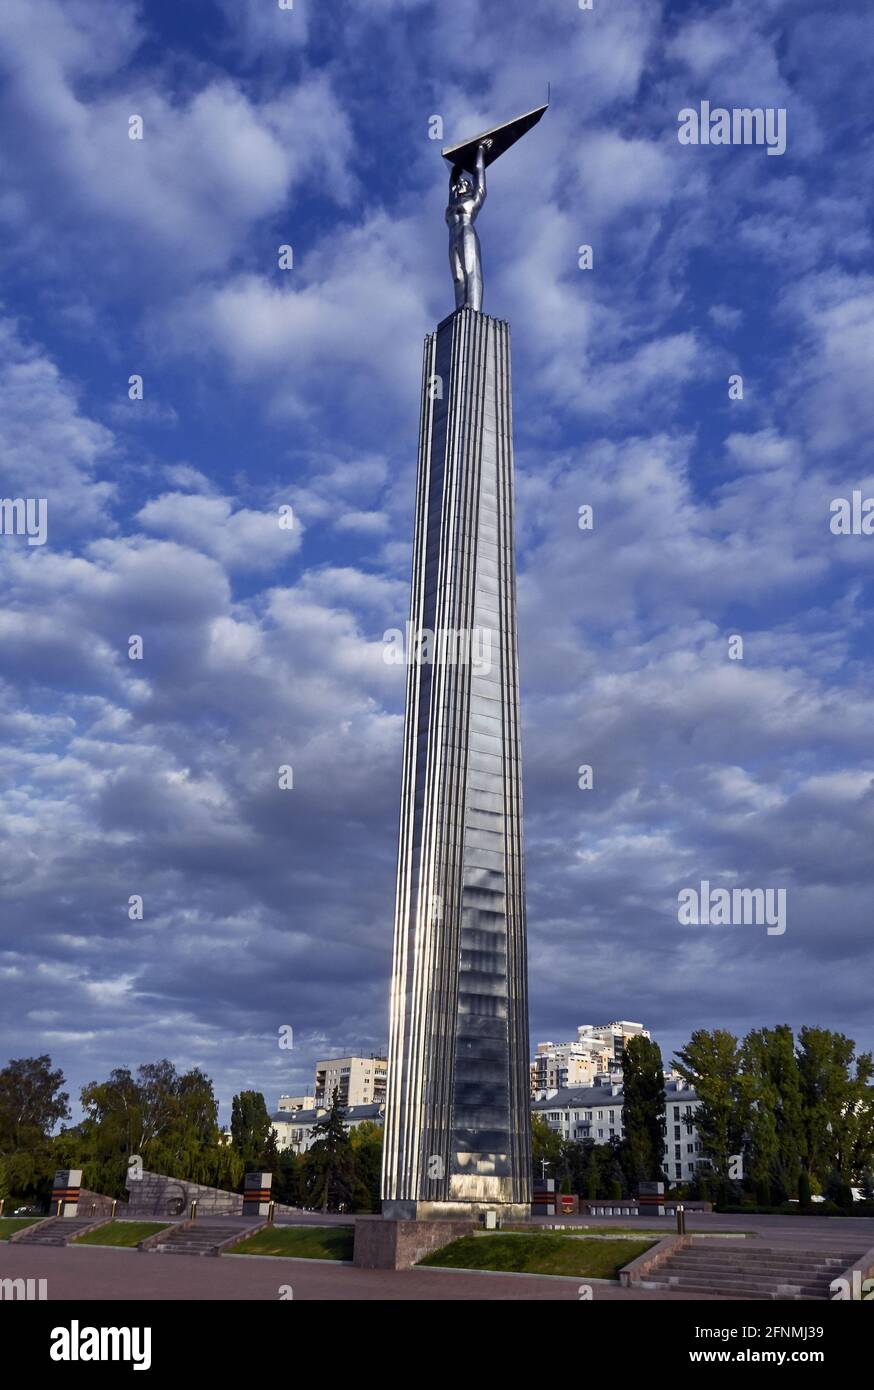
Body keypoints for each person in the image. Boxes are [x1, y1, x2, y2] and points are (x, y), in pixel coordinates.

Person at [446, 139, 491, 311]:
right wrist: (454, 171)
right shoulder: (452, 203)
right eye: (459, 183)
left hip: (466, 233)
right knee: (458, 277)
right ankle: (460, 311)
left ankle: (474, 311)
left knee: (471, 271)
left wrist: (480, 151)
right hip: (452, 239)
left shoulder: (473, 200)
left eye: (465, 183)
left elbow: (479, 177)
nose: (461, 184)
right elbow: (451, 186)